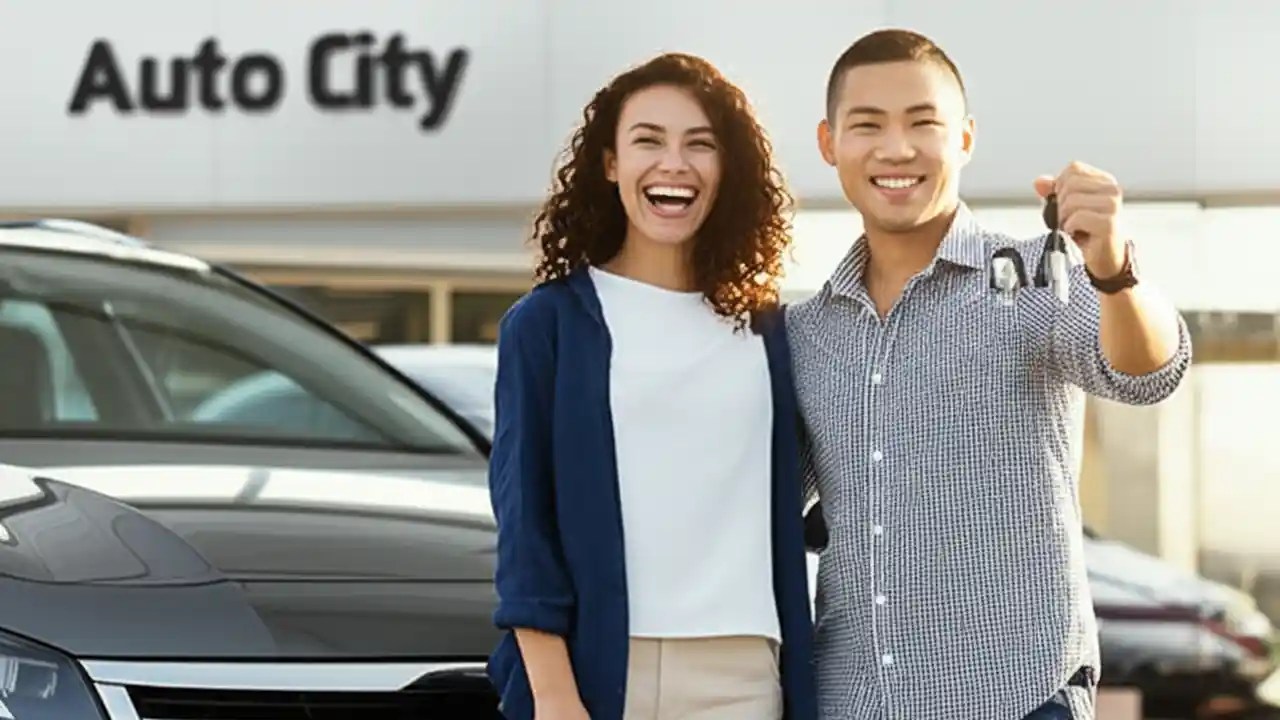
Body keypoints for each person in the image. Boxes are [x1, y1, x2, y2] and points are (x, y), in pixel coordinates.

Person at [787, 28, 1192, 720]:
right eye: (868, 125)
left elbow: (1147, 372)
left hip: (1020, 696)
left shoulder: (1037, 275)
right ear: (829, 143)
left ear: (966, 139)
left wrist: (1115, 272)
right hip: (852, 698)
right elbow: (758, 505)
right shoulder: (805, 334)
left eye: (923, 123)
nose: (896, 149)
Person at [485, 52, 819, 720]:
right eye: (648, 141)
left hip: (744, 676)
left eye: (701, 144)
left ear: (728, 170)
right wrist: (553, 696)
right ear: (610, 163)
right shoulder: (549, 325)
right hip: (596, 673)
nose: (675, 164)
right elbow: (526, 528)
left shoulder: (771, 330)